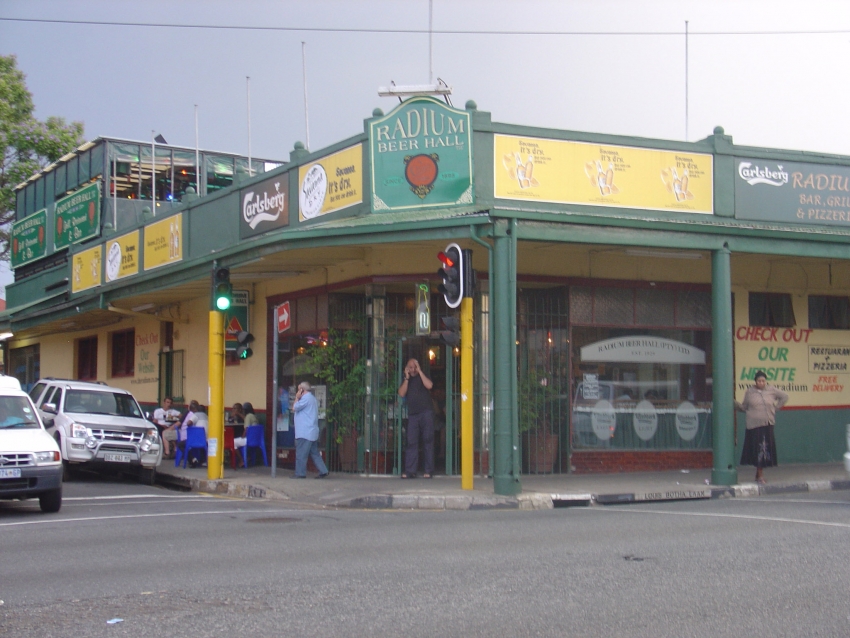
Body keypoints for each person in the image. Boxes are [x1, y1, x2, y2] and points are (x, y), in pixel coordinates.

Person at [735, 370, 789, 485]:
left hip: (768, 423)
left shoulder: (771, 390)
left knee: (764, 449)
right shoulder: (750, 392)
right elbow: (744, 407)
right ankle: (759, 474)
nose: (761, 383)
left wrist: (775, 408)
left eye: (763, 381)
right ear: (755, 381)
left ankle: (759, 474)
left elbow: (784, 396)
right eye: (759, 381)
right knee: (757, 449)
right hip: (754, 425)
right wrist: (734, 404)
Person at [398, 358, 434, 479]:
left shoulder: (423, 375)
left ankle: (429, 470)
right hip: (413, 414)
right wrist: (407, 378)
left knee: (428, 440)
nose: (413, 370)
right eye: (410, 367)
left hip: (426, 412)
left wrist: (420, 371)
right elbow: (401, 393)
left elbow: (429, 385)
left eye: (414, 367)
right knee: (411, 442)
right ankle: (410, 471)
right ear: (407, 368)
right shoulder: (406, 379)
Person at [292, 382, 329, 479]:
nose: (297, 391)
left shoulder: (305, 399)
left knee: (301, 454)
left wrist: (297, 397)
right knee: (315, 453)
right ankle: (323, 470)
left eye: (299, 389)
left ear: (302, 390)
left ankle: (300, 473)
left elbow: (294, 408)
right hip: (312, 431)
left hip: (304, 432)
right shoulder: (312, 398)